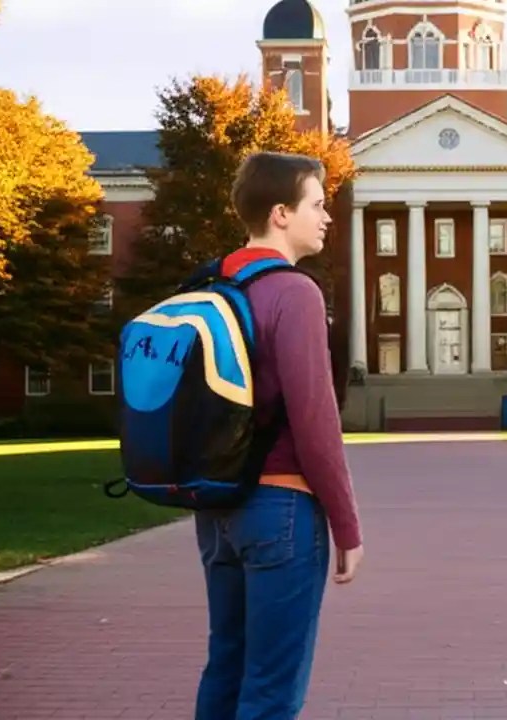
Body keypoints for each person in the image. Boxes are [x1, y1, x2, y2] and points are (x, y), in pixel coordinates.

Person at [194, 152, 364, 720]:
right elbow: (316, 421)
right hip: (283, 509)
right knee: (271, 690)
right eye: (317, 205)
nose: (327, 217)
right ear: (281, 213)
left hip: (217, 508)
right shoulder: (295, 293)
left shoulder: (214, 284)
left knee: (227, 666)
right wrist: (346, 525)